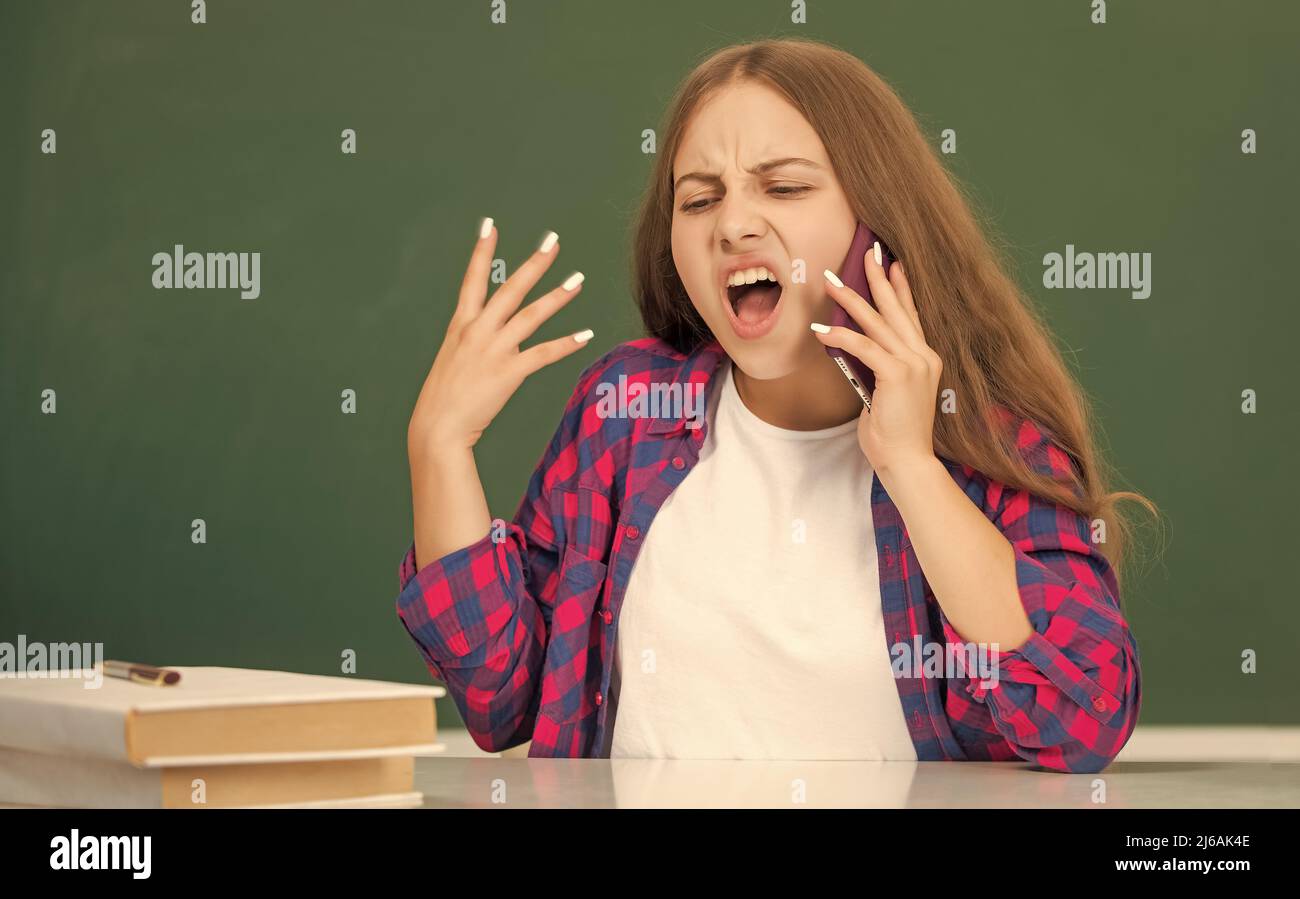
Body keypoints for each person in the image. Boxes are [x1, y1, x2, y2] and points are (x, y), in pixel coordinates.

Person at [397, 38, 1156, 773]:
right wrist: (439, 448)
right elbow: (504, 698)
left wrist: (912, 468)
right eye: (699, 199)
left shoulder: (989, 440)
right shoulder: (625, 410)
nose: (733, 225)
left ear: (878, 221)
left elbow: (1083, 716)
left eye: (784, 187)